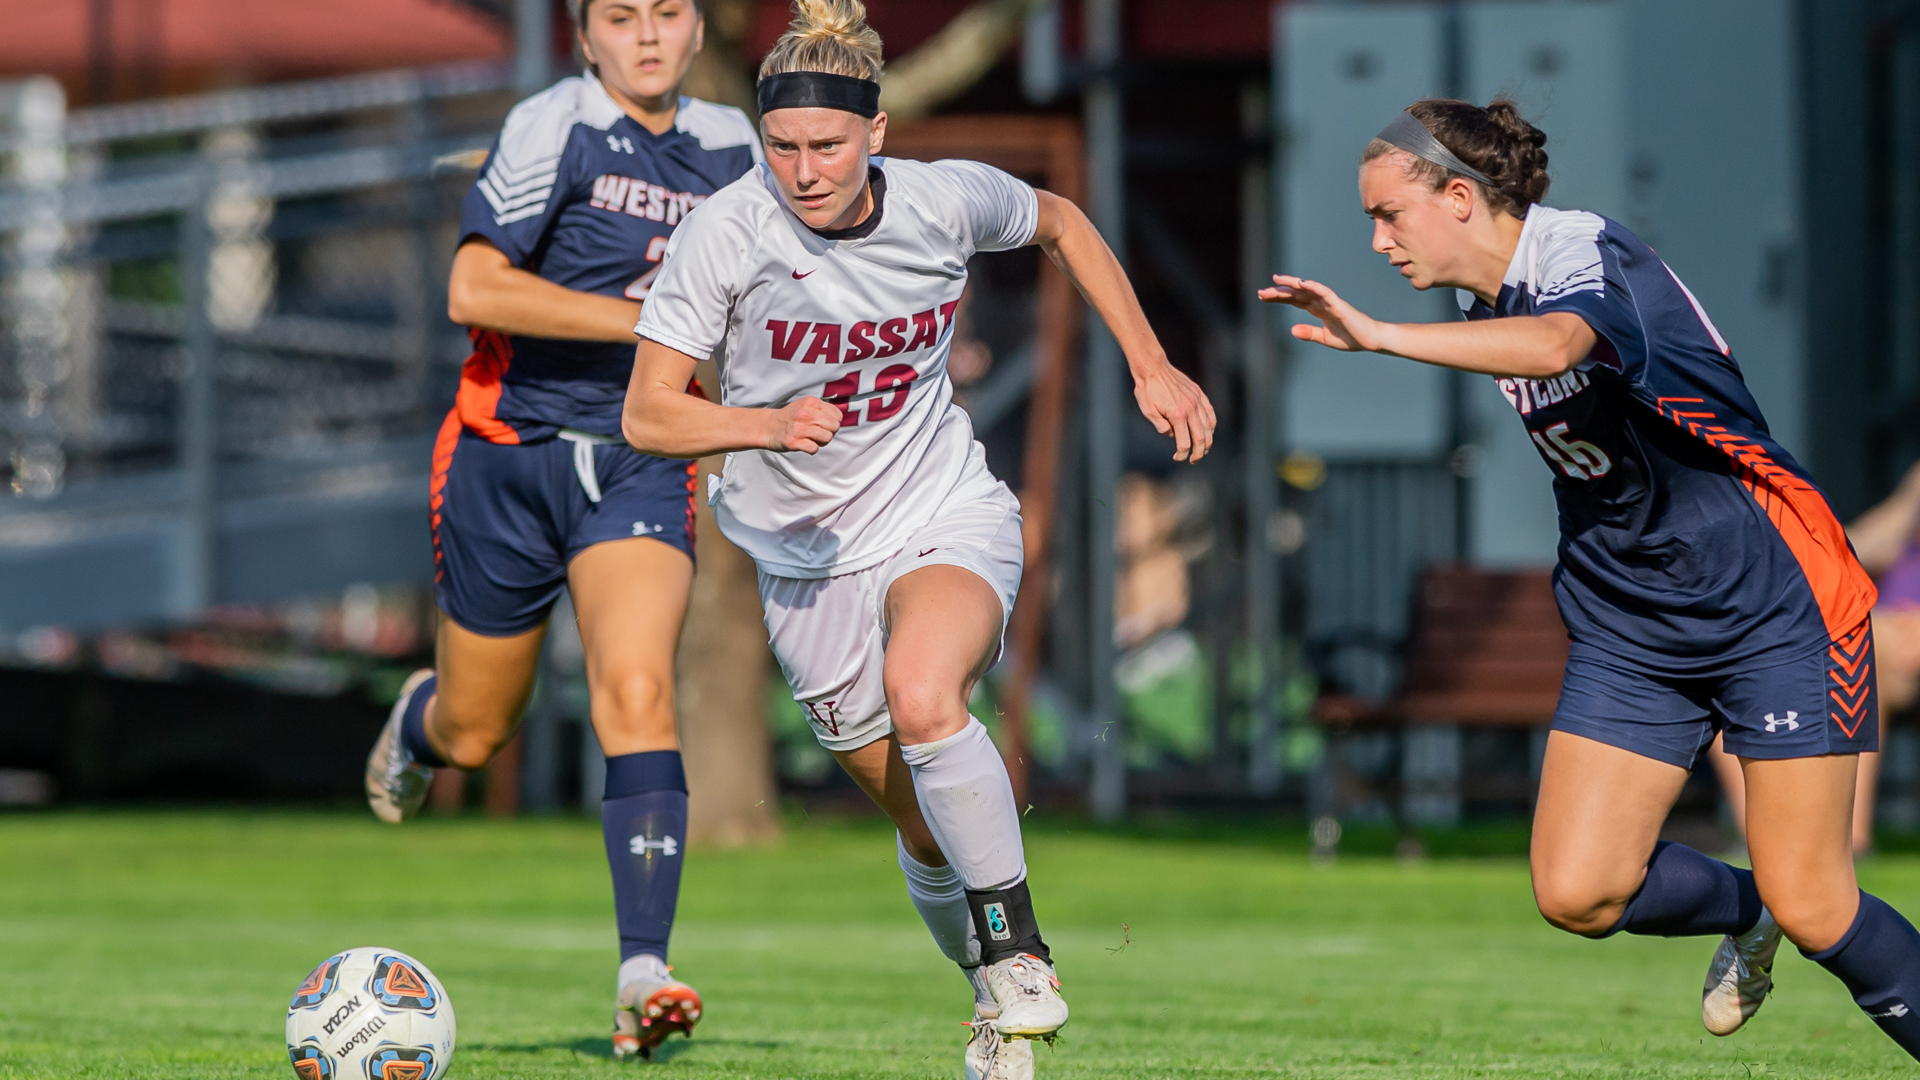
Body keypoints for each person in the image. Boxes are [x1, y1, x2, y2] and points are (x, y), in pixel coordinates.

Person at [622, 2, 1215, 1076]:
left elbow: (1067, 225)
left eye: (828, 147)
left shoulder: (945, 201)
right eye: (784, 148)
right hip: (805, 562)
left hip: (941, 510)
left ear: (877, 134)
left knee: (928, 691)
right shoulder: (730, 232)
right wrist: (760, 424)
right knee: (928, 827)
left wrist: (1151, 363)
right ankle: (990, 992)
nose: (804, 170)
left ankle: (1022, 955)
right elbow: (648, 412)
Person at [1263, 97, 1920, 1062]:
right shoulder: (1477, 298)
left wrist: (1380, 337)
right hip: (1633, 621)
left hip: (1775, 598)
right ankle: (1753, 909)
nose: (1375, 241)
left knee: (1820, 899)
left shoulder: (1582, 254)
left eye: (1387, 215)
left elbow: (1561, 344)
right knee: (1578, 892)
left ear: (1458, 197)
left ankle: (1786, 908)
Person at [359, 0, 760, 1060]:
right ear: (584, 37)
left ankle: (643, 974)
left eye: (668, 13)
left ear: (694, 28)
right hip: (507, 452)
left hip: (635, 455)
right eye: (619, 16)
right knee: (476, 733)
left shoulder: (733, 146)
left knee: (638, 690)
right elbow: (472, 285)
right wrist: (649, 321)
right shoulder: (557, 124)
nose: (646, 35)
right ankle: (417, 724)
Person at [1707, 460, 1920, 855]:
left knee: (1862, 643)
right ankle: (1764, 839)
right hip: (1882, 626)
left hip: (1896, 641)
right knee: (1728, 656)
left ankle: (1846, 841)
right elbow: (1865, 541)